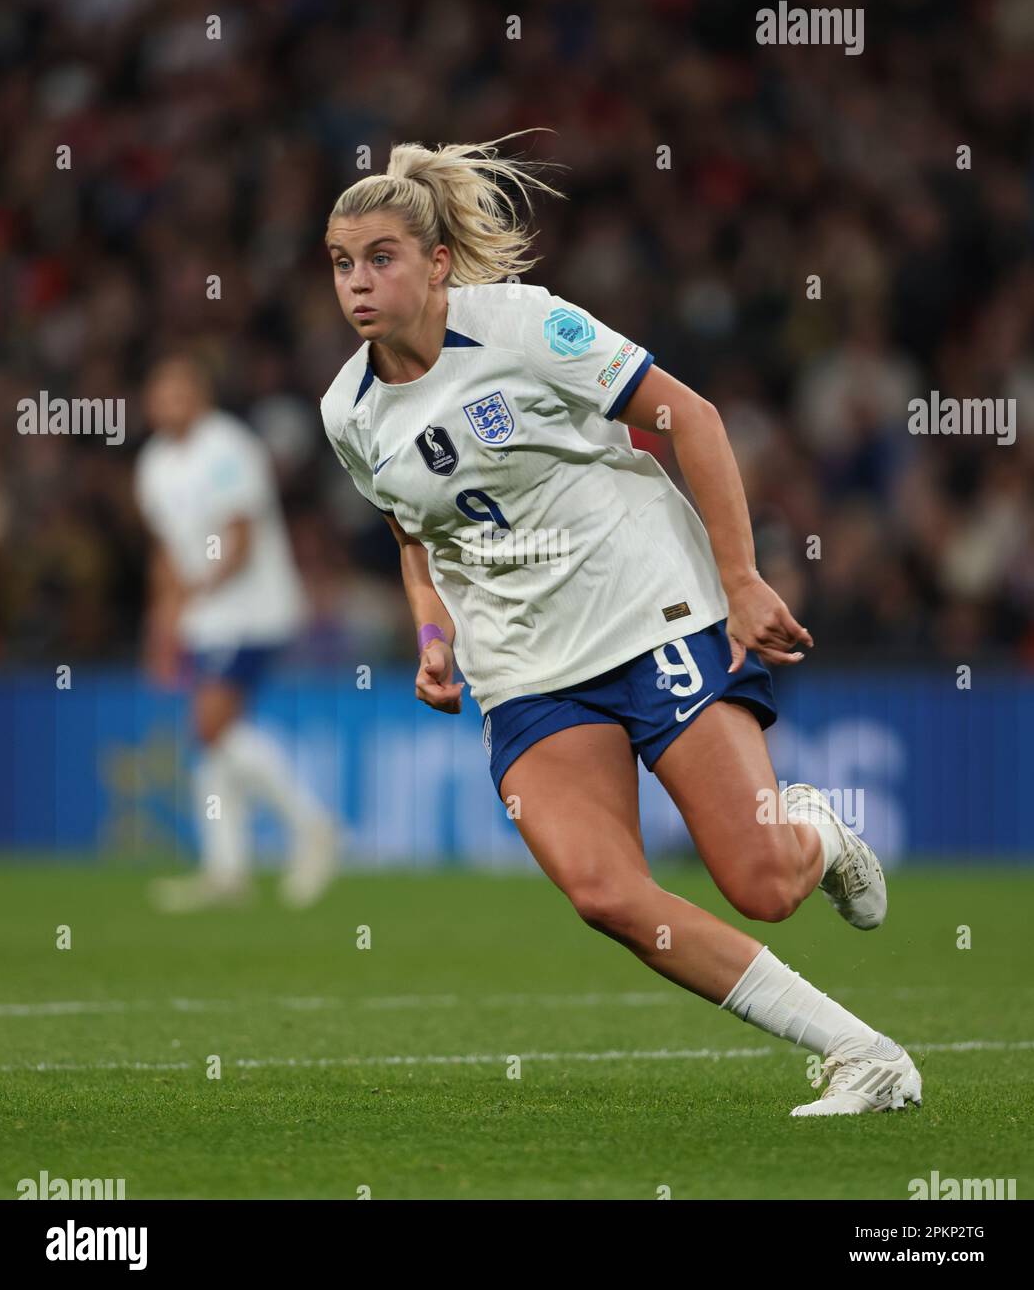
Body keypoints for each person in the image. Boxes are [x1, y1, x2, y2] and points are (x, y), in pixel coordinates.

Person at [319, 130, 922, 1117]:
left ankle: (815, 831)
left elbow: (691, 416)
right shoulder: (346, 411)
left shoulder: (522, 324)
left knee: (764, 883)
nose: (357, 282)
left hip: (647, 609)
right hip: (523, 667)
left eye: (380, 258)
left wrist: (741, 579)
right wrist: (432, 634)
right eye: (342, 262)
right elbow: (415, 540)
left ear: (436, 264)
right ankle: (864, 1055)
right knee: (605, 895)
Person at [136, 354, 340, 911]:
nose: (169, 403)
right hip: (205, 615)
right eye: (161, 394)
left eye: (179, 391)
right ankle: (227, 870)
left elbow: (241, 539)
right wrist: (164, 620)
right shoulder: (154, 463)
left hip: (254, 608)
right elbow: (165, 551)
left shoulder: (228, 448)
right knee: (213, 739)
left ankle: (312, 826)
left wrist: (192, 594)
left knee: (211, 725)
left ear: (201, 395)